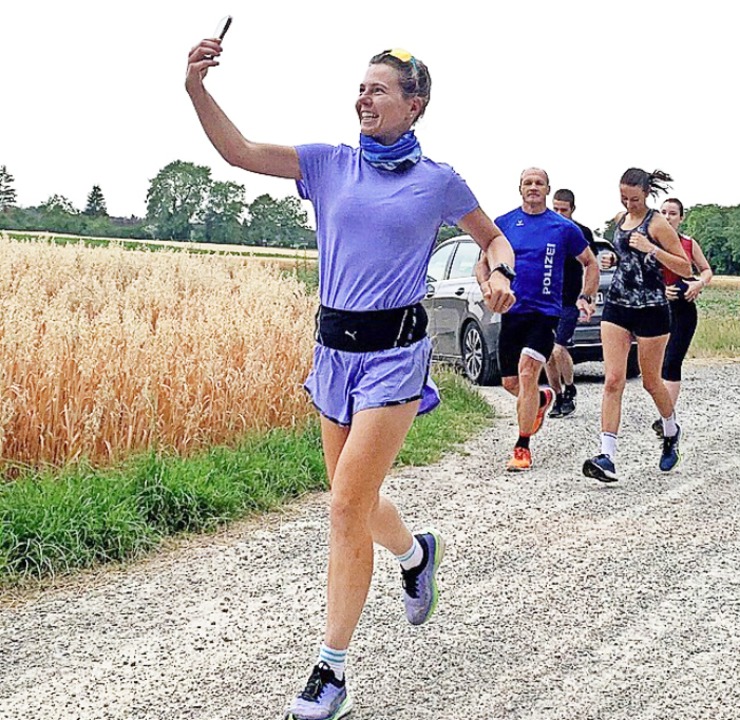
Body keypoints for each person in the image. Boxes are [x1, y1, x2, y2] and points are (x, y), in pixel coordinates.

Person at [185, 39, 516, 720]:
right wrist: (196, 89)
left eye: (379, 89)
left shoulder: (439, 181)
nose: (363, 98)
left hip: (395, 354)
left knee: (343, 509)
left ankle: (330, 671)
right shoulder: (327, 164)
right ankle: (415, 554)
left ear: (414, 105)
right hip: (333, 352)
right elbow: (239, 152)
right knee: (352, 498)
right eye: (361, 88)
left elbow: (490, 238)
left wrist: (500, 271)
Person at [582, 169, 692, 483]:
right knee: (613, 380)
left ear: (646, 194)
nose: (629, 204)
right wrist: (613, 261)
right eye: (624, 198)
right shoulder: (620, 219)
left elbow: (684, 267)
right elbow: (626, 257)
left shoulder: (657, 224)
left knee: (651, 381)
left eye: (634, 199)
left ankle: (670, 430)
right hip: (618, 306)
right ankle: (607, 456)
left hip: (652, 309)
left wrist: (652, 248)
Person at [486, 169, 598, 471]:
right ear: (520, 188)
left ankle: (522, 447)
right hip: (512, 312)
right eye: (528, 183)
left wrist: (586, 296)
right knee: (511, 383)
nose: (533, 187)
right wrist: (487, 286)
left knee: (527, 372)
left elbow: (590, 262)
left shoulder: (562, 227)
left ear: (548, 189)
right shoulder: (503, 224)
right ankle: (542, 397)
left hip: (545, 313)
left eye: (539, 183)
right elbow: (484, 263)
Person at [650, 197, 713, 435]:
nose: (667, 217)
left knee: (672, 361)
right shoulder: (650, 243)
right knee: (656, 364)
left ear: (681, 218)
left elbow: (706, 270)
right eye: (663, 212)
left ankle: (666, 417)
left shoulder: (688, 243)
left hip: (683, 308)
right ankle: (666, 413)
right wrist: (659, 289)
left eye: (673, 213)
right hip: (656, 308)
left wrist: (698, 283)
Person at [547, 188, 601, 418]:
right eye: (555, 209)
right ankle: (557, 395)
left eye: (564, 210)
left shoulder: (581, 232)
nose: (559, 214)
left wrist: (587, 297)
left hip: (569, 299)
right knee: (547, 352)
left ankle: (569, 388)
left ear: (572, 209)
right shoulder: (545, 229)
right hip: (546, 299)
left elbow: (592, 265)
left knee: (559, 348)